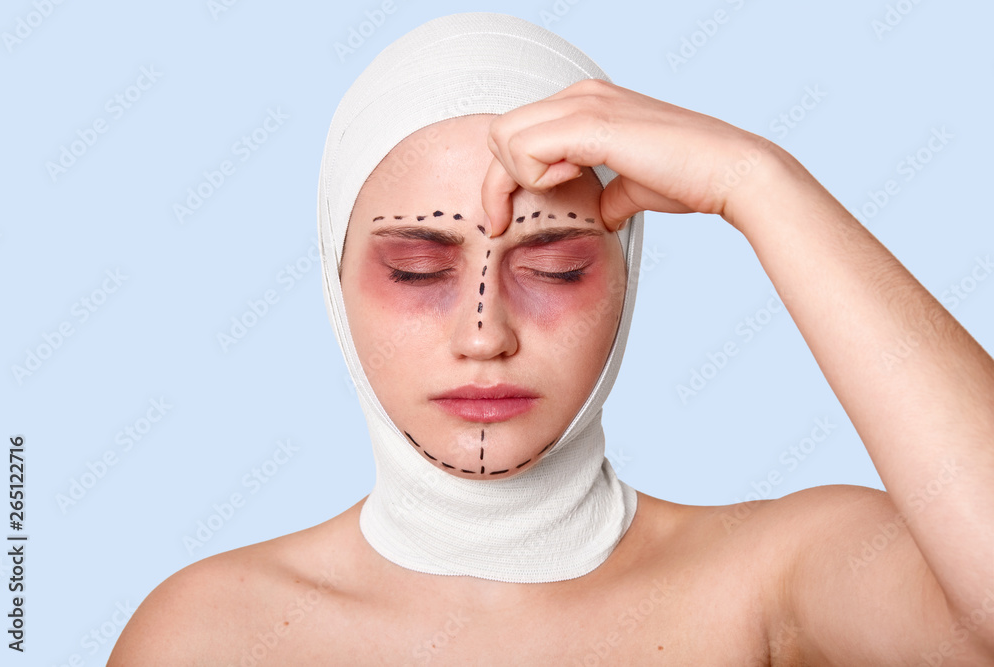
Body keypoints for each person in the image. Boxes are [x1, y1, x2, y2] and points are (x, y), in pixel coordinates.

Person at [109, 12, 994, 666]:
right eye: (418, 270)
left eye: (556, 266)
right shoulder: (208, 632)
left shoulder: (770, 579)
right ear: (336, 291)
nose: (484, 332)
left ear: (625, 277)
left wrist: (756, 181)